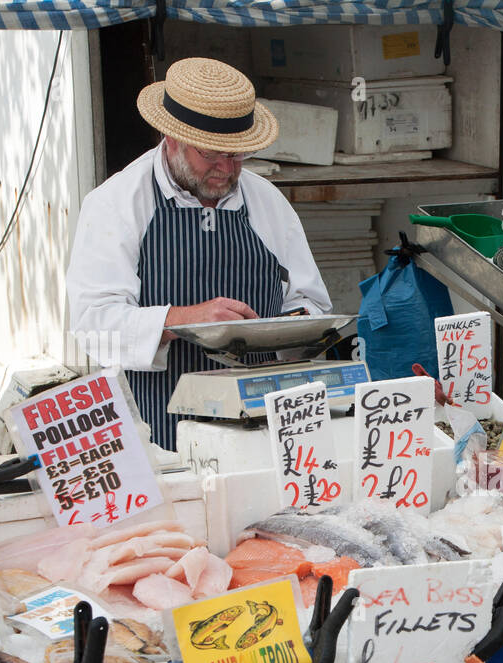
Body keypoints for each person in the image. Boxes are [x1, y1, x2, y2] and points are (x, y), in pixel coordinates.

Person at [66, 58, 331, 450]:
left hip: (265, 432)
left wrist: (292, 328)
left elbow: (312, 303)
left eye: (238, 155)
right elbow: (93, 324)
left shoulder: (268, 203)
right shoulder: (116, 204)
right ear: (171, 138)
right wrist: (187, 320)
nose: (226, 168)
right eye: (211, 155)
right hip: (161, 432)